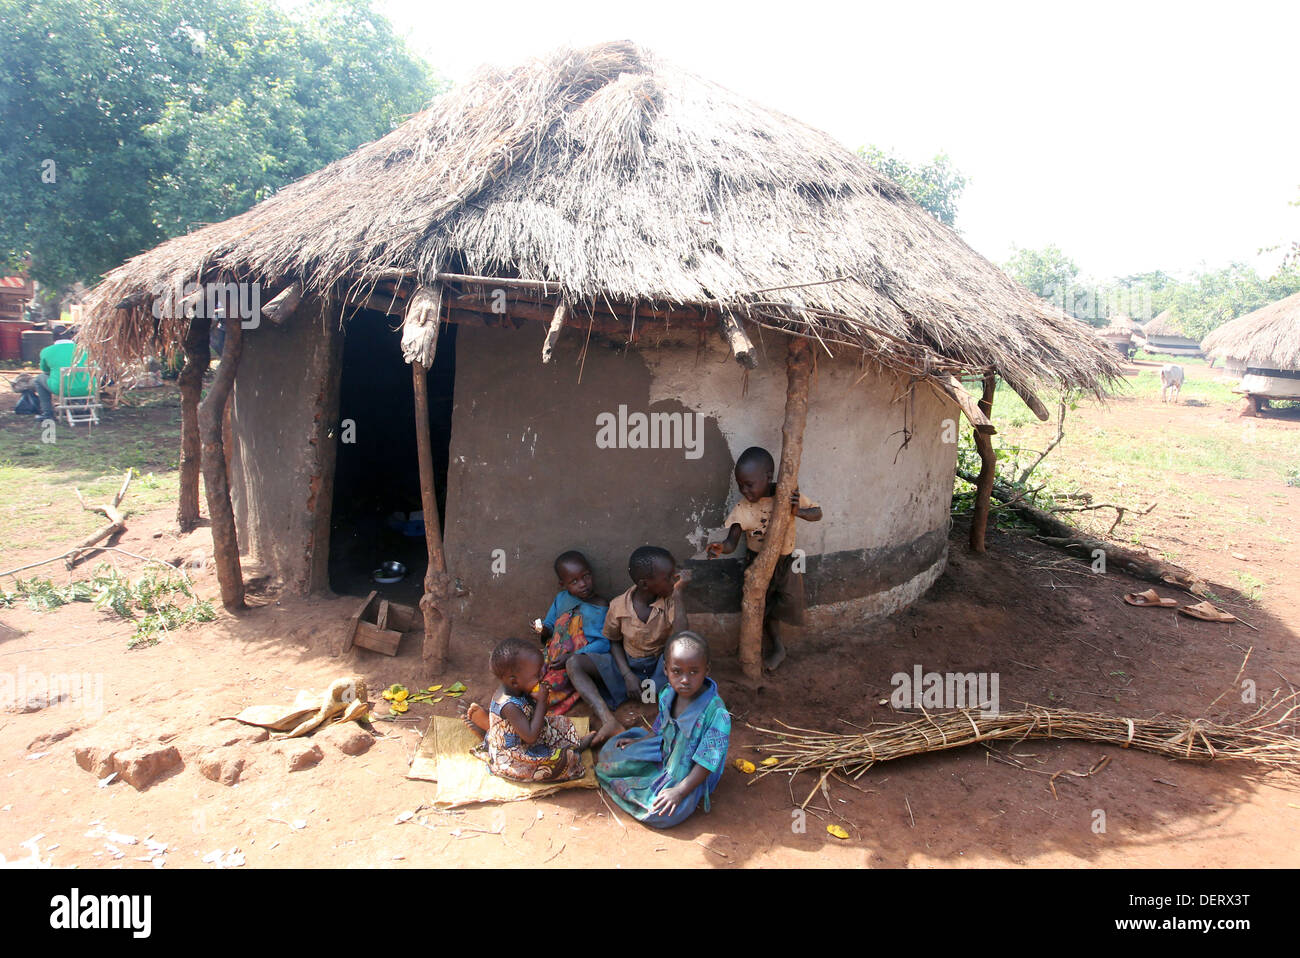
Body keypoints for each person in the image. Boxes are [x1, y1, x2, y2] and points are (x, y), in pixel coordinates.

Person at [596, 631, 730, 828]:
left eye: (694, 672)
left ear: (706, 670)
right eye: (677, 671)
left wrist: (679, 791)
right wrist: (640, 742)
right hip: (664, 750)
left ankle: (666, 790)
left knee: (661, 813)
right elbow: (661, 725)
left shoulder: (717, 714)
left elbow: (707, 763)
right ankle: (643, 765)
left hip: (687, 774)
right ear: (666, 670)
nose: (685, 679)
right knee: (611, 753)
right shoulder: (668, 692)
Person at [707, 446, 821, 670]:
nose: (744, 491)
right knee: (763, 607)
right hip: (758, 563)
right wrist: (721, 547)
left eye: (749, 485)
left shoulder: (786, 495)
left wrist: (799, 512)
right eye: (740, 485)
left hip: (788, 562)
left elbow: (817, 513)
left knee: (788, 601)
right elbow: (732, 541)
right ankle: (774, 646)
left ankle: (779, 646)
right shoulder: (743, 508)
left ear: (768, 477)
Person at [567, 545, 689, 744]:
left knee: (685, 659)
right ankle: (608, 720)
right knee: (574, 664)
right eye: (667, 578)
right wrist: (627, 674)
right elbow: (614, 641)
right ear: (644, 584)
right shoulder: (618, 606)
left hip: (659, 667)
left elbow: (684, 638)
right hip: (626, 668)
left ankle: (666, 722)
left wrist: (677, 595)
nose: (674, 579)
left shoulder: (670, 601)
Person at [468, 637, 600, 783]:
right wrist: (542, 702)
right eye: (536, 675)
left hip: (529, 732)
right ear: (514, 681)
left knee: (560, 724)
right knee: (557, 763)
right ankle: (571, 752)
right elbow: (530, 737)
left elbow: (534, 715)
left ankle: (572, 746)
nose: (541, 678)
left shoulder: (518, 688)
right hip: (517, 751)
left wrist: (541, 700)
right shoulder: (509, 706)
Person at [531, 550, 610, 714]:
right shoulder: (561, 599)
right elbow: (550, 626)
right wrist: (543, 629)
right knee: (527, 673)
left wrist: (573, 656)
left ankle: (532, 717)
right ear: (563, 584)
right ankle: (515, 713)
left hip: (570, 663)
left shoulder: (600, 606)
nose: (583, 583)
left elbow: (603, 643)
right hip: (550, 655)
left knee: (548, 688)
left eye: (586, 576)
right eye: (574, 581)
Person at [34, 326, 85, 422]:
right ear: (71, 336)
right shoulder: (83, 349)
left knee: (39, 379)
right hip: (88, 388)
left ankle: (48, 413)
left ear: (53, 338)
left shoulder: (47, 351)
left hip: (63, 388)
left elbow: (45, 370)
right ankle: (82, 405)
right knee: (78, 378)